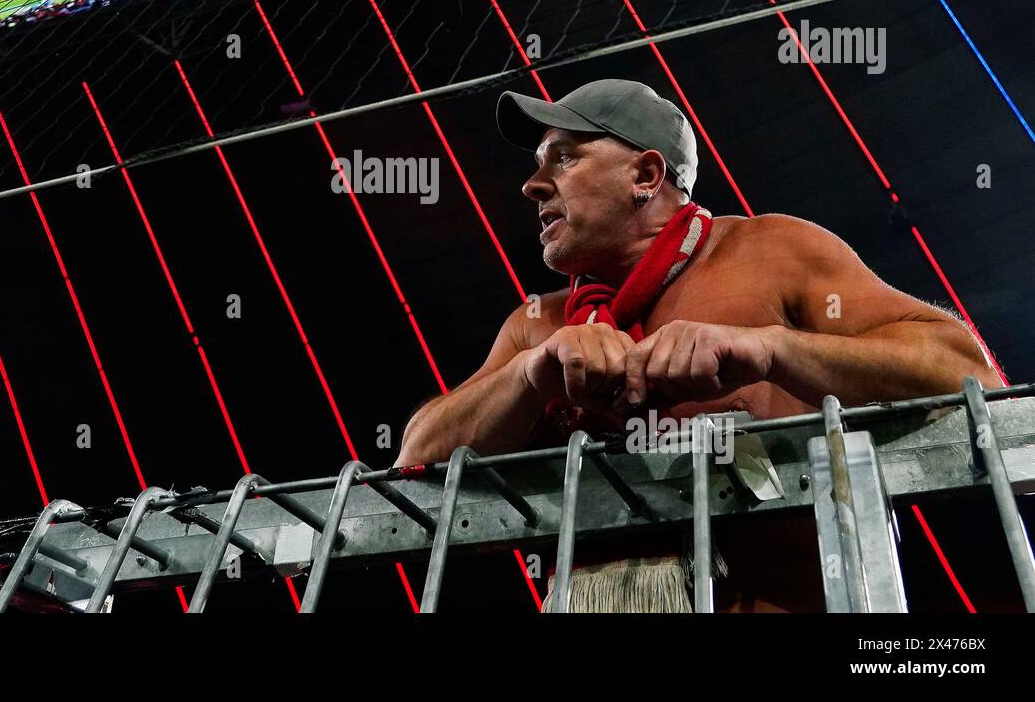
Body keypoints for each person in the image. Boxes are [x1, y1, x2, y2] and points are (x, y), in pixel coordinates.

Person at [395, 78, 1001, 611]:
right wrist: (528, 377)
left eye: (564, 158)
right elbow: (417, 455)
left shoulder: (770, 250)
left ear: (646, 175)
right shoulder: (540, 324)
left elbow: (964, 371)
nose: (533, 186)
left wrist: (769, 348)